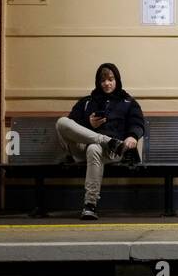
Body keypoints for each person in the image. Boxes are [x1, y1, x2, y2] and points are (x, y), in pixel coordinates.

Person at [55, 62, 146, 220]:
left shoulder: (128, 102)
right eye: (103, 80)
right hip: (84, 147)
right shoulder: (86, 102)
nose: (107, 83)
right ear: (98, 82)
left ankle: (90, 205)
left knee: (94, 149)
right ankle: (106, 140)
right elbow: (71, 126)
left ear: (116, 80)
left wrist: (132, 136)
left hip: (112, 151)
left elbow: (137, 123)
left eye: (110, 79)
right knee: (61, 122)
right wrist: (88, 123)